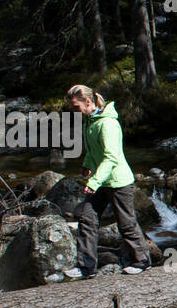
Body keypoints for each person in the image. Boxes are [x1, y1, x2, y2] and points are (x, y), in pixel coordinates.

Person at [63, 84, 153, 278]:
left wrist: (93, 182)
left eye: (76, 107)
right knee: (86, 219)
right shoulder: (90, 121)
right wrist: (87, 164)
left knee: (126, 223)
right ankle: (86, 267)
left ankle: (142, 261)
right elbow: (93, 149)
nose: (74, 111)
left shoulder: (108, 124)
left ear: (88, 102)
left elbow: (110, 157)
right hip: (101, 180)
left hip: (118, 182)